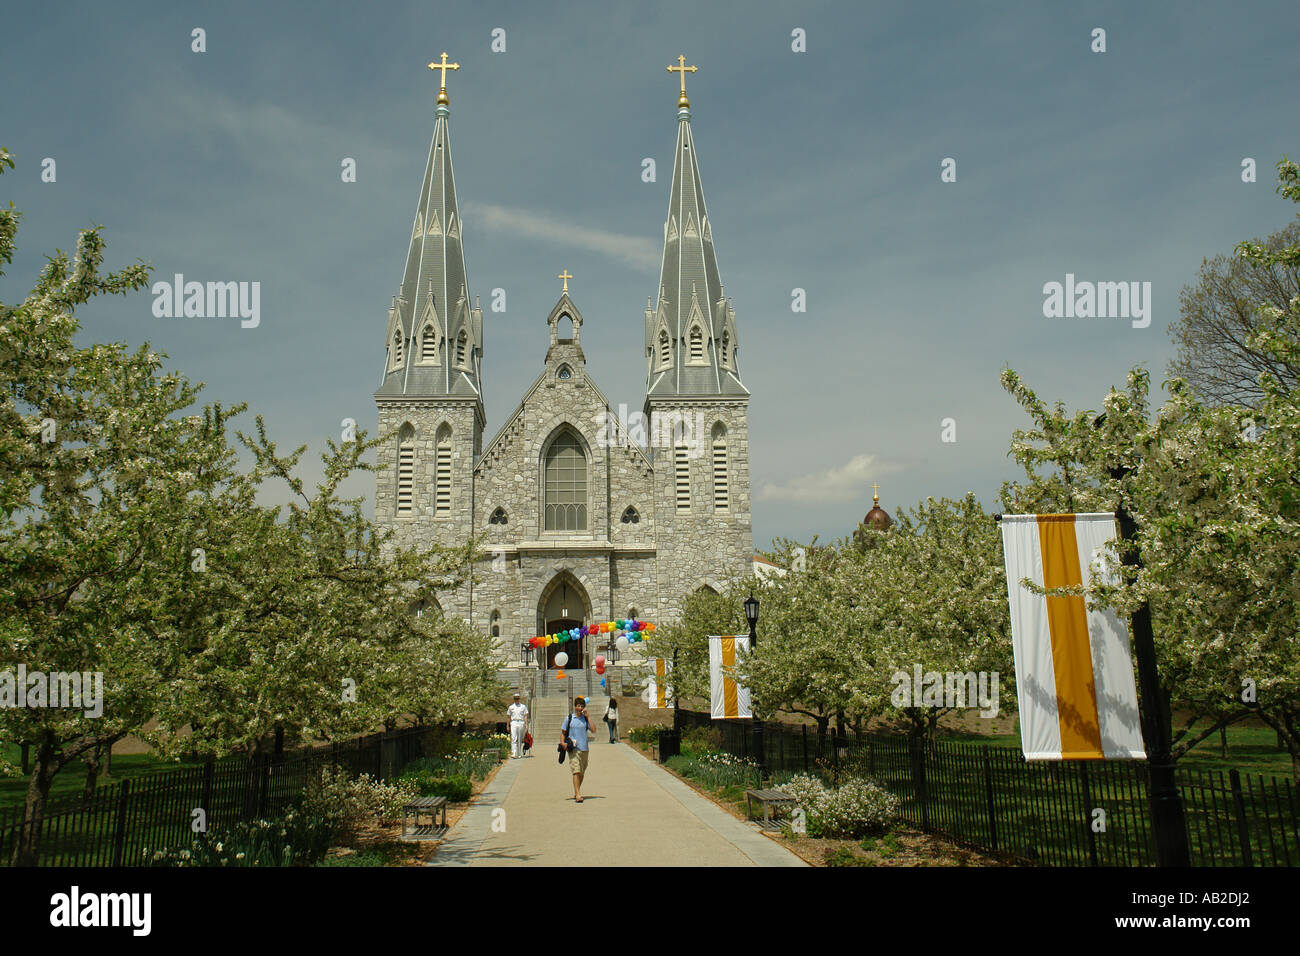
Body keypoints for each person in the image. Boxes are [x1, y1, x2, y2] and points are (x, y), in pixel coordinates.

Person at [561, 696, 593, 802]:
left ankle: (577, 790)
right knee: (576, 771)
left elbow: (593, 730)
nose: (580, 708)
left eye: (582, 706)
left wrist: (588, 717)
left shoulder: (585, 719)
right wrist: (562, 743)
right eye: (578, 706)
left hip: (584, 748)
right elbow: (563, 733)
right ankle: (578, 794)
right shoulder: (569, 718)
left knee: (582, 773)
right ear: (575, 707)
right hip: (574, 748)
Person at [507, 693, 529, 759]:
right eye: (515, 698)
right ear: (514, 699)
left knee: (520, 738)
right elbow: (508, 716)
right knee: (514, 737)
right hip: (513, 722)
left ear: (519, 698)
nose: (517, 699)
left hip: (521, 722)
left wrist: (526, 724)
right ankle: (513, 752)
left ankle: (519, 753)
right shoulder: (511, 707)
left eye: (518, 698)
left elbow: (525, 716)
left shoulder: (523, 706)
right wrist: (507, 725)